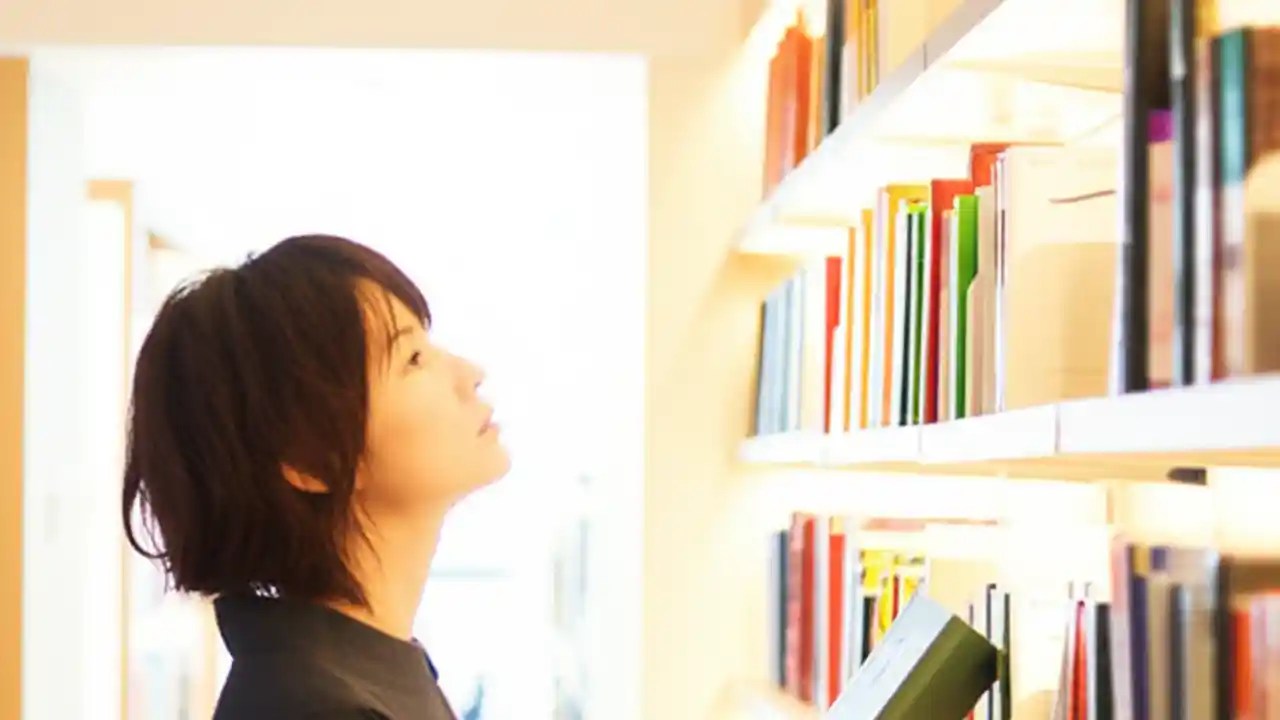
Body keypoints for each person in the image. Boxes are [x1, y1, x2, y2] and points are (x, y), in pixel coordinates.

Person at [122, 235, 510, 719]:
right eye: (413, 359)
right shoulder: (316, 702)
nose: (469, 373)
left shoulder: (364, 669)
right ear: (311, 460)